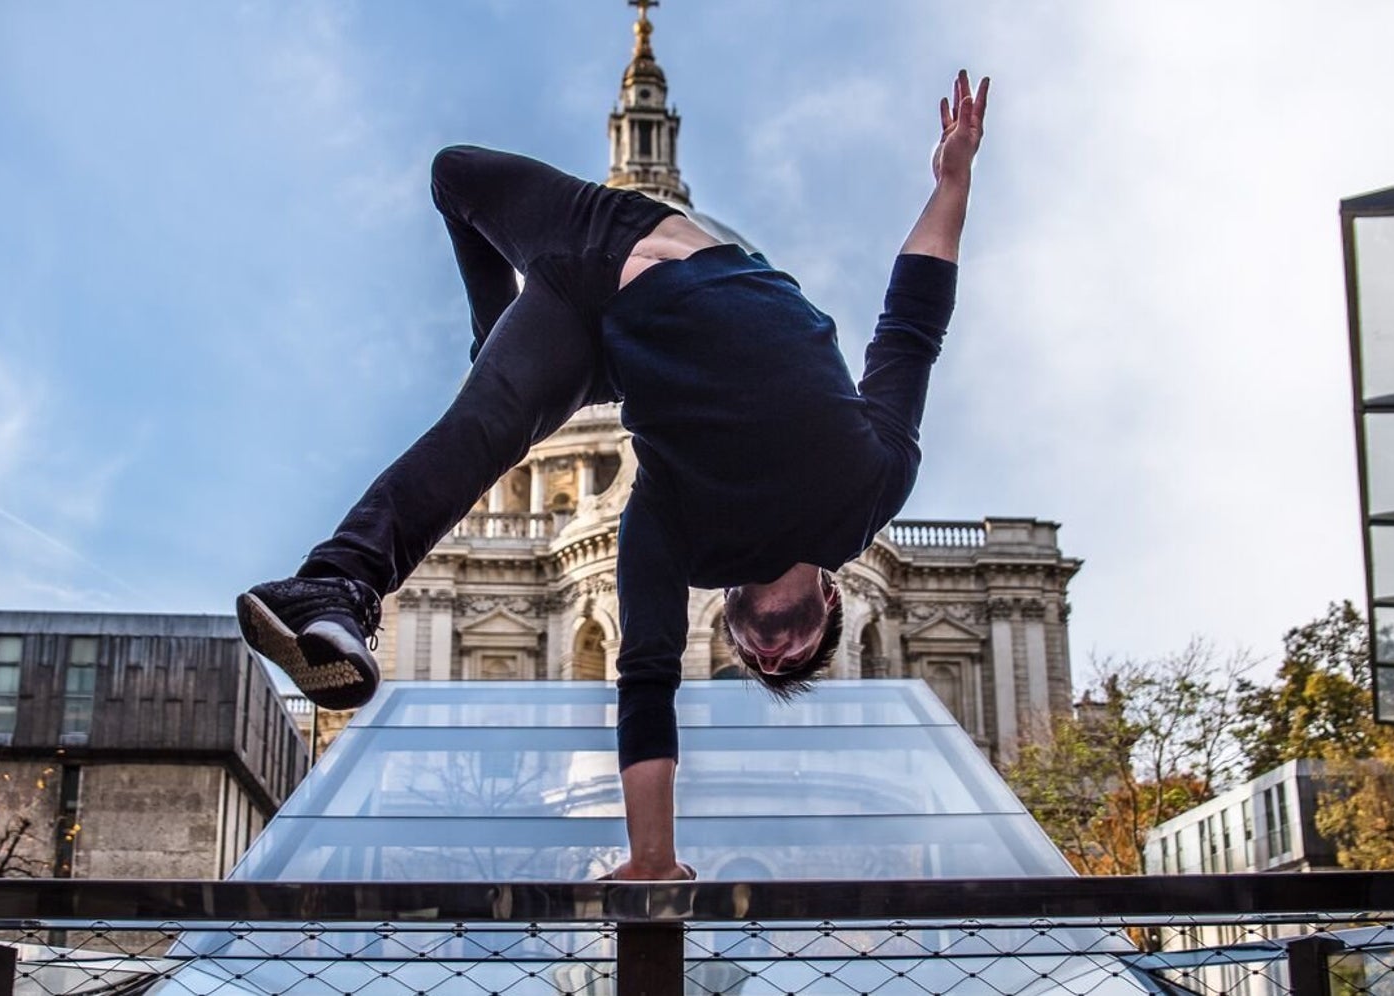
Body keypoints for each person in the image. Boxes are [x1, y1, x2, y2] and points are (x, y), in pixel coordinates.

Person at [238, 70, 990, 879]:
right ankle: (492, 349)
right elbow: (910, 330)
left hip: (595, 335)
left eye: (755, 663)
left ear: (729, 621)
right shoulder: (873, 487)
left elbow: (646, 680)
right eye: (798, 658)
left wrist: (653, 860)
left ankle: (334, 586)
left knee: (484, 431)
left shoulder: (675, 535)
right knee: (453, 175)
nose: (771, 659)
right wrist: (951, 186)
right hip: (612, 234)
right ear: (830, 601)